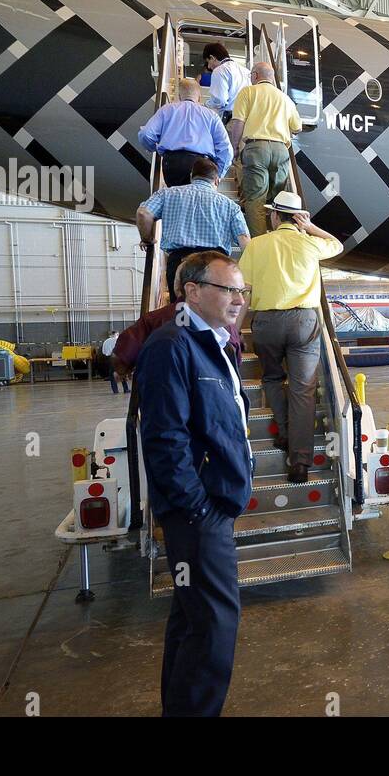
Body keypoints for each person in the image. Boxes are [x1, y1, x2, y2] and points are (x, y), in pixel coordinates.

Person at [136, 250, 254, 717]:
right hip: (197, 514)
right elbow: (165, 438)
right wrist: (198, 507)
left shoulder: (216, 342)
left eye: (242, 291)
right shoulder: (172, 346)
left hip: (209, 508)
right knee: (215, 627)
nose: (238, 300)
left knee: (191, 620)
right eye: (228, 289)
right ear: (192, 291)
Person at [237, 191, 343, 482]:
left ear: (273, 216)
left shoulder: (256, 245)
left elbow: (243, 291)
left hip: (266, 322)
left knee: (272, 378)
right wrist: (309, 228)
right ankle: (300, 462)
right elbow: (337, 244)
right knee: (302, 390)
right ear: (298, 218)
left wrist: (234, 328)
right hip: (303, 321)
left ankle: (284, 432)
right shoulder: (309, 243)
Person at [135, 157, 250, 298]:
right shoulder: (230, 205)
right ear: (217, 180)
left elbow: (143, 213)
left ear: (191, 177)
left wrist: (147, 239)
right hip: (216, 263)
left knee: (181, 311)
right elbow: (244, 241)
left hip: (180, 262)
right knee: (214, 311)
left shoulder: (168, 193)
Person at [112, 265, 243, 383]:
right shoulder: (228, 326)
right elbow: (237, 360)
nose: (240, 301)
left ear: (177, 286)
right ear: (190, 289)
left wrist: (122, 370)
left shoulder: (155, 319)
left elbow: (124, 353)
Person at [227, 62, 302, 237]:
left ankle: (260, 244)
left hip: (257, 149)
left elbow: (239, 122)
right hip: (281, 151)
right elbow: (297, 127)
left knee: (255, 199)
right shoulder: (285, 98)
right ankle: (278, 239)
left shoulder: (248, 92)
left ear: (255, 75)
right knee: (279, 201)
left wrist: (235, 148)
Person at [138, 78, 232, 187]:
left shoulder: (166, 110)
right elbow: (226, 149)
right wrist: (218, 175)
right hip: (201, 165)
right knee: (199, 201)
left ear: (179, 96)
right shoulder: (211, 116)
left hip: (172, 163)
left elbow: (146, 134)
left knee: (175, 199)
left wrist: (153, 148)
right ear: (199, 97)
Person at [204, 43, 250, 124]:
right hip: (247, 118)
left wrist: (205, 105)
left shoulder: (219, 70)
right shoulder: (246, 71)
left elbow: (219, 100)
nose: (209, 67)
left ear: (212, 57)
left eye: (208, 62)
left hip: (230, 119)